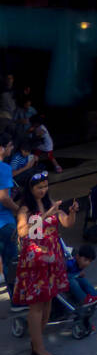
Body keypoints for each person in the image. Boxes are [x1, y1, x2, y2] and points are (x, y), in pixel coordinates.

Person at [13, 170, 79, 355]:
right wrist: (44, 216)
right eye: (39, 187)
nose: (43, 190)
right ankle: (38, 348)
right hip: (36, 260)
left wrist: (72, 213)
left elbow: (66, 223)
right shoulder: (25, 208)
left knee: (48, 303)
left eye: (45, 186)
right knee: (37, 306)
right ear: (30, 189)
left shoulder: (51, 203)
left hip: (52, 258)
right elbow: (24, 232)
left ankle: (37, 344)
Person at [0, 126, 20, 299]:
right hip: (4, 223)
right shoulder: (4, 168)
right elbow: (4, 198)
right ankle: (16, 298)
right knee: (12, 262)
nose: (11, 148)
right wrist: (19, 210)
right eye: (10, 145)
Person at [65, 243, 97, 308]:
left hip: (71, 276)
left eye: (89, 261)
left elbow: (75, 269)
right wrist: (76, 274)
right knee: (73, 282)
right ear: (78, 256)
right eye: (85, 260)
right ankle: (84, 300)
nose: (87, 263)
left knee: (83, 280)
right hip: (63, 278)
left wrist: (78, 273)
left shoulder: (77, 260)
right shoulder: (68, 261)